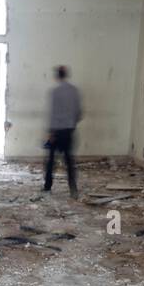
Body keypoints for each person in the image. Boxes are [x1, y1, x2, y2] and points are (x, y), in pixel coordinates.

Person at [44, 65, 81, 197]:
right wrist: (72, 124)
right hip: (69, 130)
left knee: (51, 160)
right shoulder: (75, 91)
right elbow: (78, 113)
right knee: (69, 160)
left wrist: (50, 132)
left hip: (57, 130)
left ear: (57, 76)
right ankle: (73, 189)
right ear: (66, 75)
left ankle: (47, 186)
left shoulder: (55, 92)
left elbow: (53, 113)